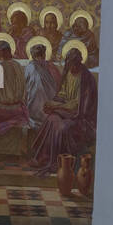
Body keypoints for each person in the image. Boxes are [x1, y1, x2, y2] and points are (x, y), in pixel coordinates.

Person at [28, 48, 97, 177]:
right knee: (50, 119)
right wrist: (53, 103)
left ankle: (56, 162)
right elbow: (63, 93)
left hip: (81, 116)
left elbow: (80, 104)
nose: (71, 67)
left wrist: (59, 106)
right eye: (69, 64)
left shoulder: (86, 78)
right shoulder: (69, 73)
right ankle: (43, 158)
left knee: (62, 127)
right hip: (67, 110)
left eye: (74, 64)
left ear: (79, 63)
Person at [23, 43, 62, 129]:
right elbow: (55, 87)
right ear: (44, 54)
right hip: (47, 109)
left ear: (32, 55)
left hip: (32, 110)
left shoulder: (29, 67)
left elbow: (24, 86)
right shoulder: (48, 66)